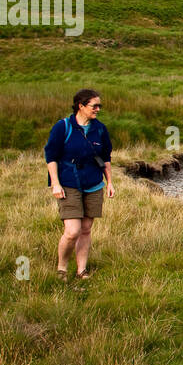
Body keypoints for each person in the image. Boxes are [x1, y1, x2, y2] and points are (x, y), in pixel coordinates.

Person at [44, 89, 113, 280]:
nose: (98, 109)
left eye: (99, 105)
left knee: (86, 229)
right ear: (81, 106)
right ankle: (62, 268)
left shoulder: (99, 129)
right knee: (72, 231)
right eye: (94, 106)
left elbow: (105, 158)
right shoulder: (63, 127)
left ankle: (81, 270)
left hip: (93, 184)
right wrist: (55, 184)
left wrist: (109, 183)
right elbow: (51, 156)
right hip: (69, 183)